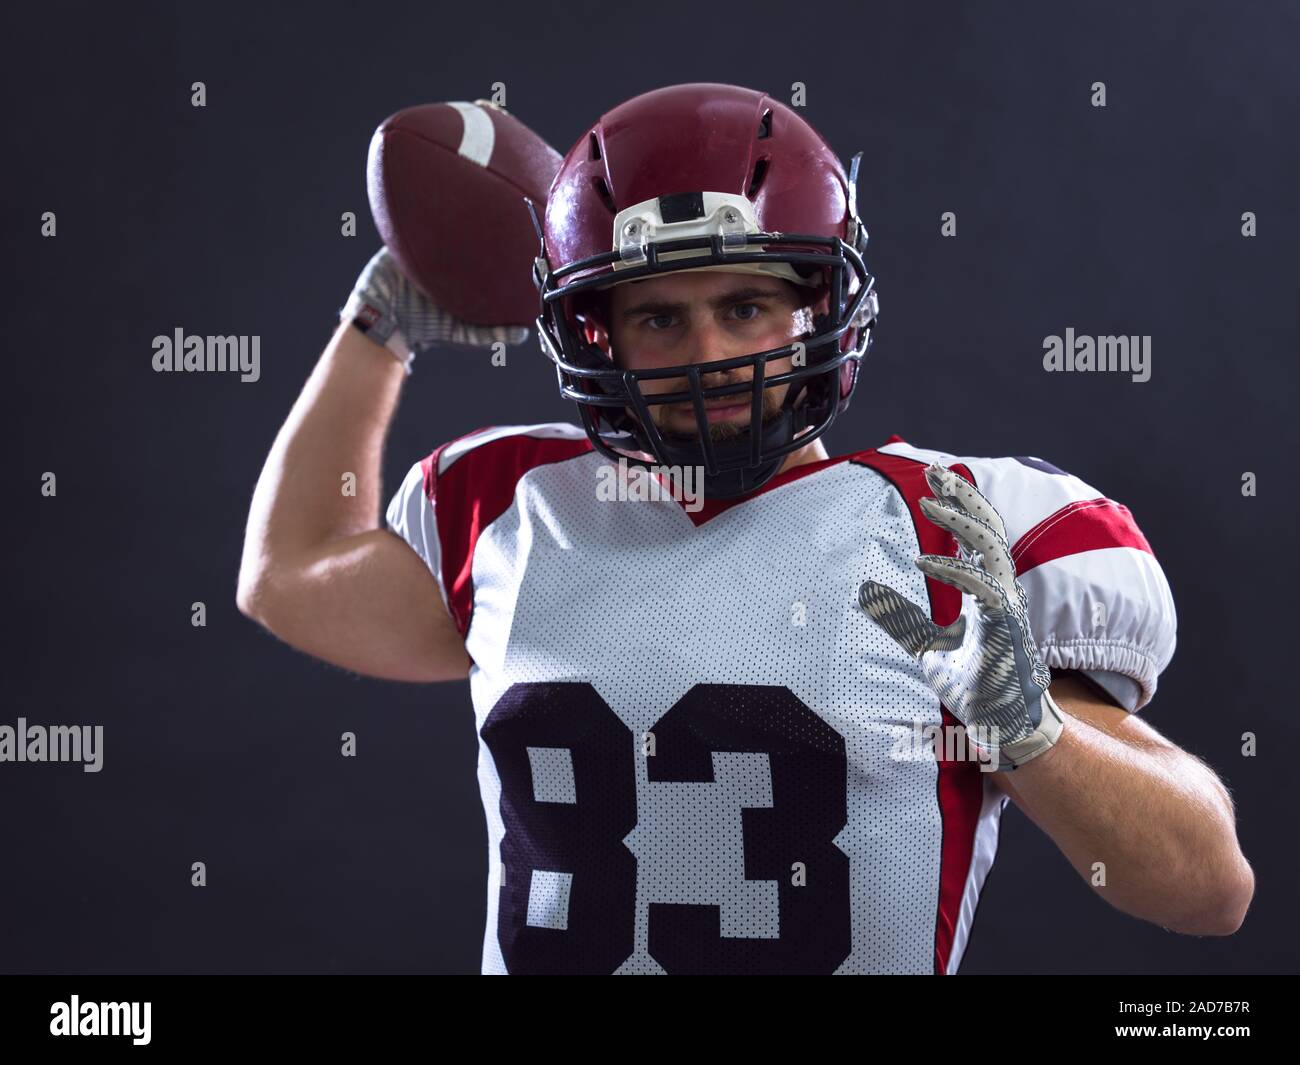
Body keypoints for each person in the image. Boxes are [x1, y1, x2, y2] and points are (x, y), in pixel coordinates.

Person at [236, 82, 1252, 974]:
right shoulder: (514, 504)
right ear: (599, 333)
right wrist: (378, 330)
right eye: (659, 318)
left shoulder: (950, 527)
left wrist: (1027, 725)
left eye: (745, 305)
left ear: (817, 306)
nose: (708, 355)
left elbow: (1208, 891)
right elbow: (286, 577)